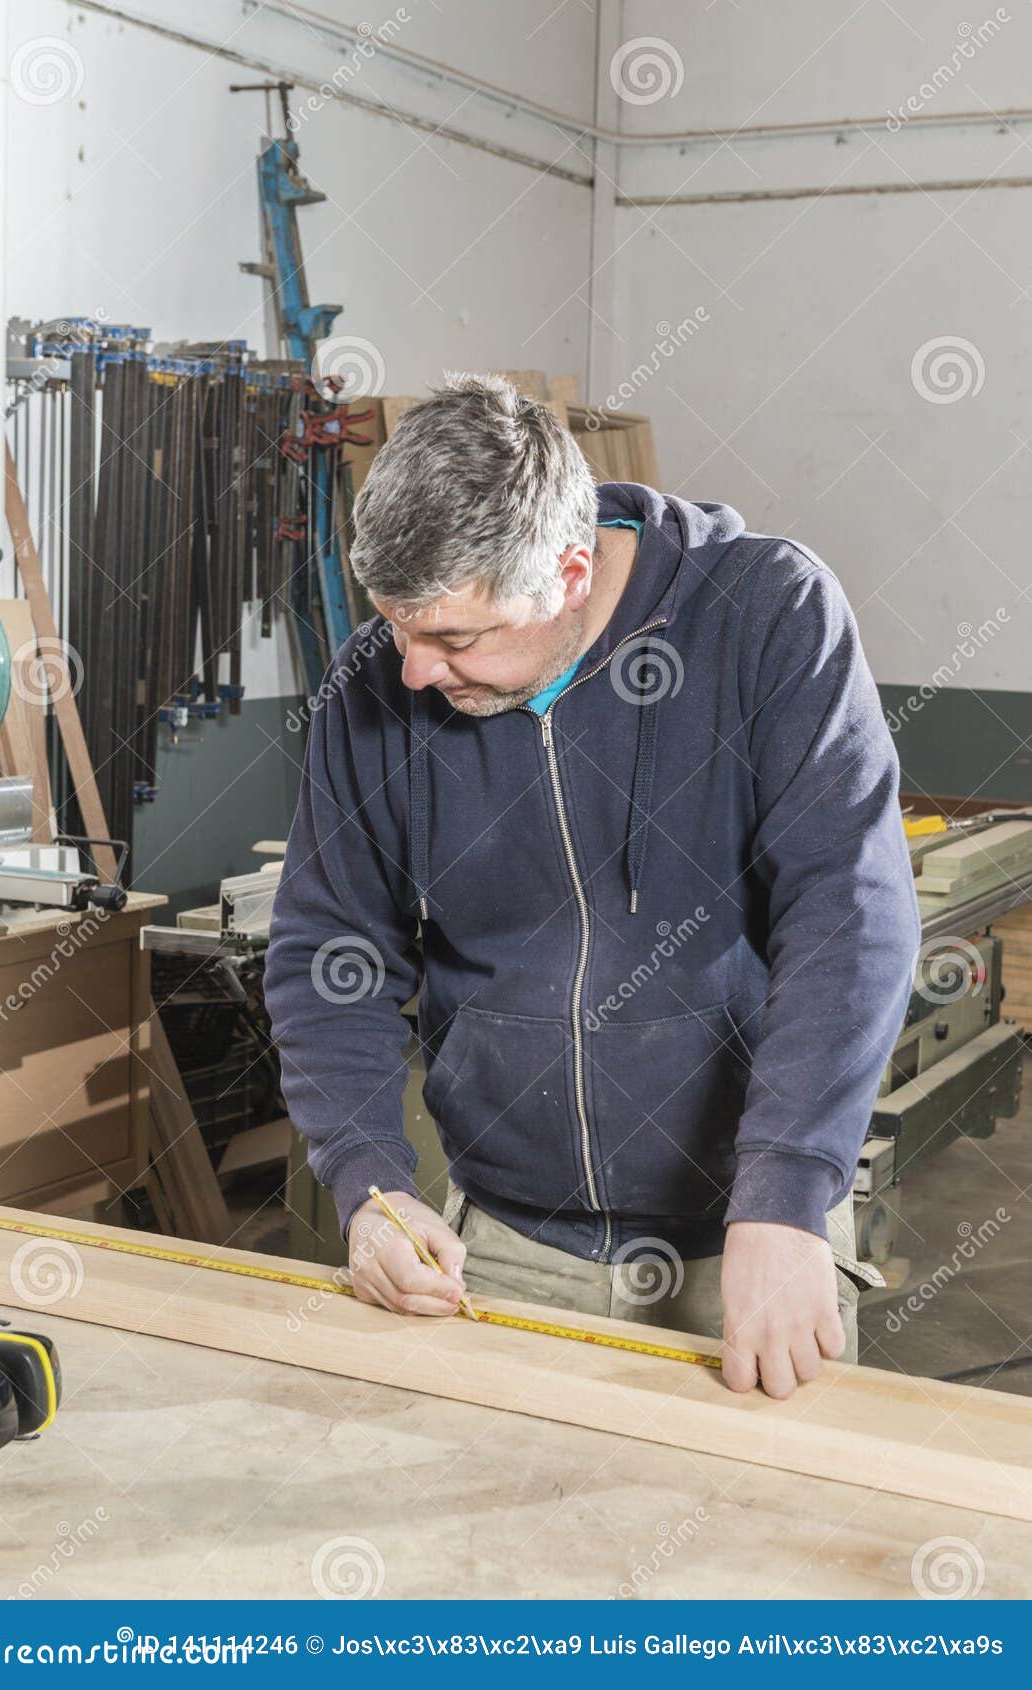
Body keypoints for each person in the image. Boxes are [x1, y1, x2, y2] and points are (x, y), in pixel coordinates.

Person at [263, 374, 920, 1399]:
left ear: (571, 572)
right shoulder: (371, 691)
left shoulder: (765, 617)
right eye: (398, 628)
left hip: (745, 1242)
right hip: (507, 1246)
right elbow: (327, 954)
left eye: (455, 638)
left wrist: (787, 1193)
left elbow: (850, 918)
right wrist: (370, 1184)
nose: (414, 674)